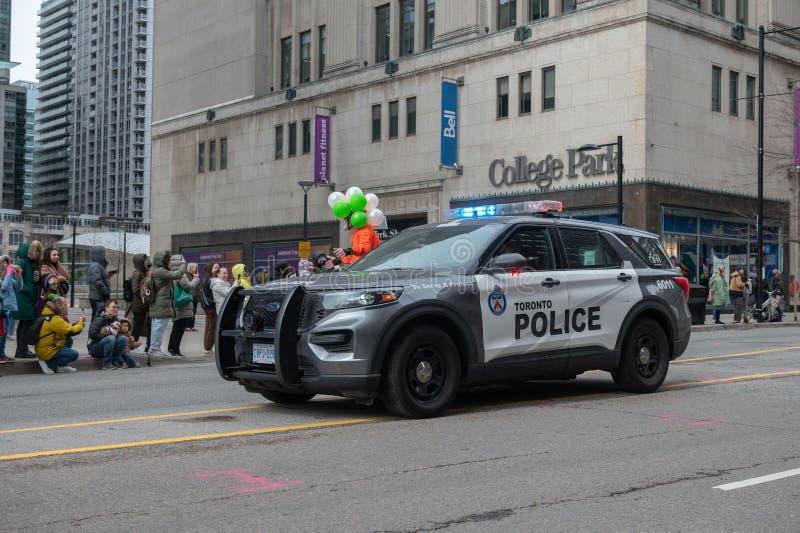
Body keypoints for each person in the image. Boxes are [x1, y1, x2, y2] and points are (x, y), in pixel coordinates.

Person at [148, 250, 187, 356]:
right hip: (162, 304)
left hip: (157, 302)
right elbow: (177, 274)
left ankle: (154, 348)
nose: (168, 261)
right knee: (159, 327)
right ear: (162, 260)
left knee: (156, 326)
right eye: (167, 259)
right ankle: (155, 349)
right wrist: (183, 265)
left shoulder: (154, 269)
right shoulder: (160, 271)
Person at [35, 297, 85, 374]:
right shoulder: (54, 319)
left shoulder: (49, 314)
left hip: (44, 347)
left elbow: (66, 329)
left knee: (68, 340)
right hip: (46, 351)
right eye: (65, 305)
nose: (66, 307)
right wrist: (81, 323)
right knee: (74, 354)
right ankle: (48, 364)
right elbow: (71, 331)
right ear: (58, 305)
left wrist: (78, 323)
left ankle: (61, 366)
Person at [13, 240, 43, 358]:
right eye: (35, 251)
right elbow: (16, 280)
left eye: (38, 252)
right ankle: (22, 350)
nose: (37, 254)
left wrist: (37, 281)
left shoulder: (30, 263)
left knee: (23, 324)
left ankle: (21, 350)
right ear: (28, 251)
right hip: (25, 298)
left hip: (26, 298)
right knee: (26, 324)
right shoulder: (22, 262)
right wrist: (30, 289)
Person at [167, 256, 200, 357]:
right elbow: (188, 286)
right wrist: (196, 279)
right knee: (179, 328)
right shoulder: (180, 273)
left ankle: (174, 349)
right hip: (182, 304)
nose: (185, 262)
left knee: (177, 327)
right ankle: (173, 349)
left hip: (175, 303)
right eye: (183, 260)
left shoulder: (171, 273)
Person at [88, 300, 129, 370]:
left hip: (109, 345)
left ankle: (114, 360)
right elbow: (92, 335)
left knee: (123, 338)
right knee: (110, 338)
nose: (116, 309)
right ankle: (106, 363)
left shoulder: (116, 320)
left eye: (117, 308)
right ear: (106, 308)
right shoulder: (99, 319)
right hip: (95, 347)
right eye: (113, 307)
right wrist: (107, 336)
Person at [0, 262, 22, 363]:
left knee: (5, 333)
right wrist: (8, 273)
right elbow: (3, 287)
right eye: (3, 265)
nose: (6, 265)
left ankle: (2, 353)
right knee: (1, 333)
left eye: (6, 264)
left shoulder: (10, 279)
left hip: (10, 309)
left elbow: (19, 288)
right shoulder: (3, 280)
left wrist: (18, 276)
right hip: (3, 310)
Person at [130, 254, 150, 352]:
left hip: (142, 305)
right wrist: (145, 292)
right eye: (145, 260)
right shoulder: (137, 273)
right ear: (140, 262)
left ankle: (135, 345)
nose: (146, 262)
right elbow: (135, 289)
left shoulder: (143, 272)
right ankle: (133, 346)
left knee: (140, 326)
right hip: (138, 305)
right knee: (137, 327)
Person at [87, 245, 111, 320]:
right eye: (103, 253)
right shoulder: (95, 266)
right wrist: (106, 292)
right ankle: (93, 331)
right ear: (99, 254)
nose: (104, 255)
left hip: (98, 297)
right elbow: (97, 281)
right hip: (97, 297)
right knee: (97, 318)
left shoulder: (98, 265)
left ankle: (95, 331)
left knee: (98, 317)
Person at [201, 263, 219, 355]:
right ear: (211, 269)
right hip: (212, 307)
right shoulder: (211, 281)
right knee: (212, 327)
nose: (217, 269)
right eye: (216, 267)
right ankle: (208, 347)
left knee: (209, 327)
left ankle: (207, 347)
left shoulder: (207, 280)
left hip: (208, 306)